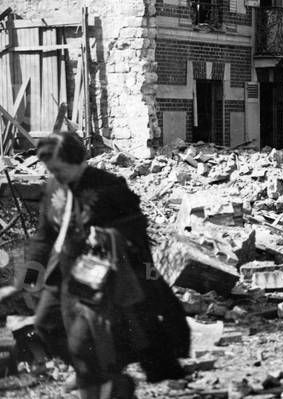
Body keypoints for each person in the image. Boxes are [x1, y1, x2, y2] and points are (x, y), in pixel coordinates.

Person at [15, 132, 189, 399]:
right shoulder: (53, 187)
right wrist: (30, 275)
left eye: (59, 170)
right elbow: (44, 235)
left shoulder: (109, 186)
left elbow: (137, 229)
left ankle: (102, 381)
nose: (55, 176)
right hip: (62, 274)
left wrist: (109, 235)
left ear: (76, 161)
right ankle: (94, 375)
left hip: (99, 277)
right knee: (45, 325)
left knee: (86, 339)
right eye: (51, 171)